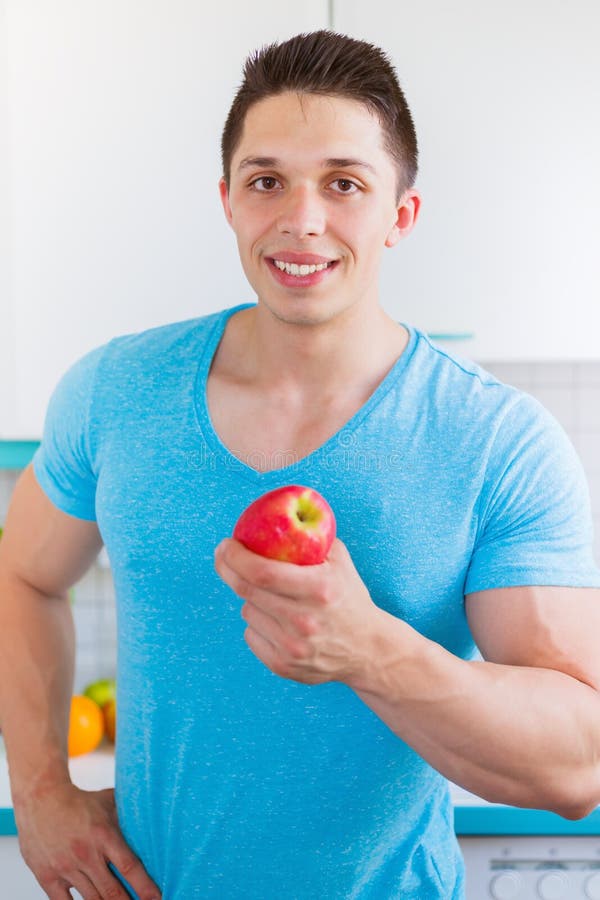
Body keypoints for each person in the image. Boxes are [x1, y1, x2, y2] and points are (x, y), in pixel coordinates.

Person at [1, 28, 600, 900]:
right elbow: (22, 575)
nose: (301, 218)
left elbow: (579, 760)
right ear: (229, 201)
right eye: (267, 180)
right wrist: (42, 789)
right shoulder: (114, 392)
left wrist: (368, 650)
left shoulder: (496, 443)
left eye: (344, 184)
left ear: (402, 215)